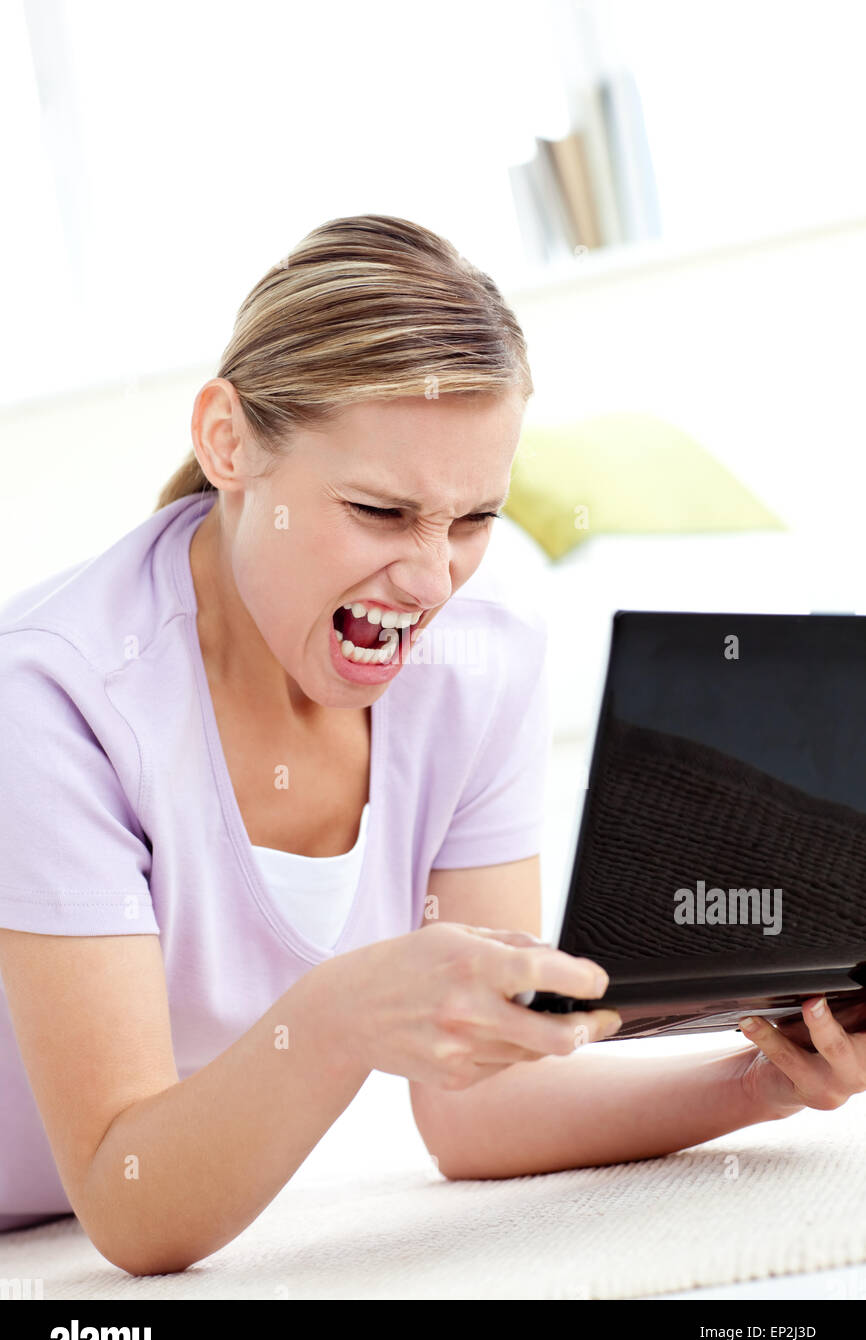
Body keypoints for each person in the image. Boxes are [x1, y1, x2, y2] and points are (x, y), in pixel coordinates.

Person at [0, 214, 862, 1278]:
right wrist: (336, 1016)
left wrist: (764, 1080)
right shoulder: (54, 698)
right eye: (378, 510)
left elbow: (479, 1100)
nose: (429, 579)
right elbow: (126, 1196)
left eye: (470, 520)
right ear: (228, 443)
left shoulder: (479, 658)